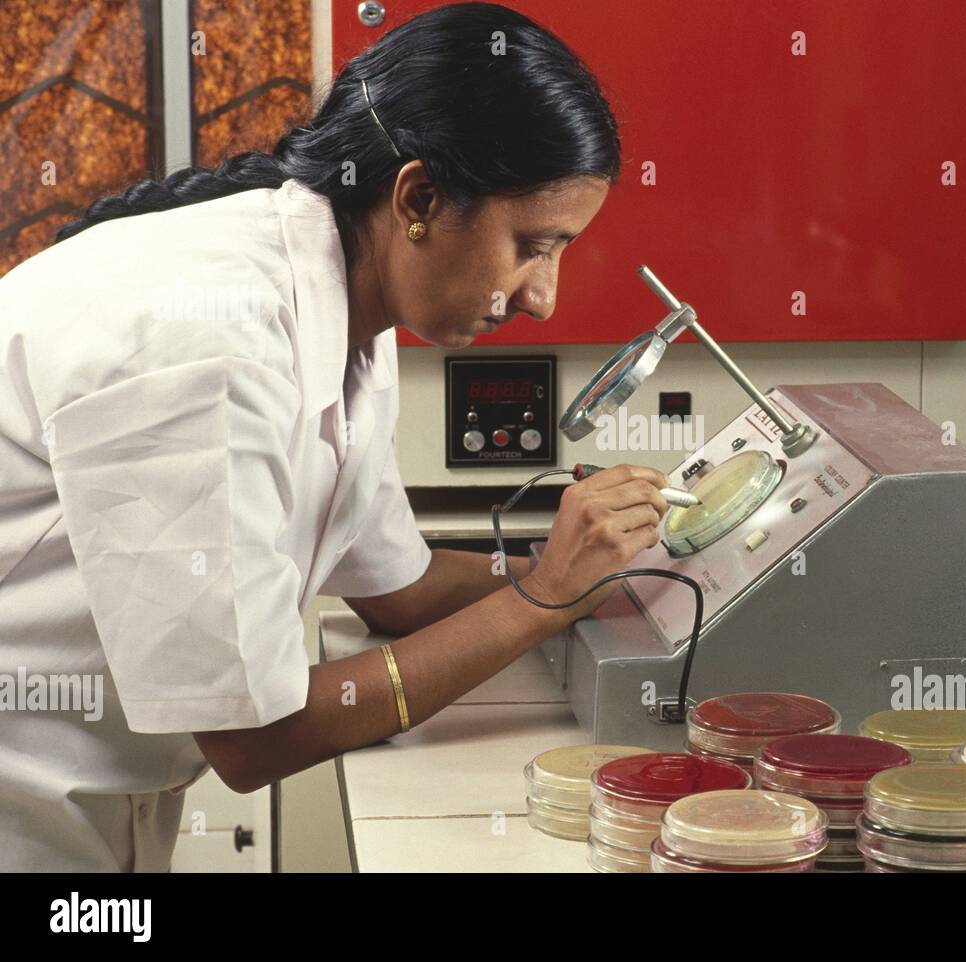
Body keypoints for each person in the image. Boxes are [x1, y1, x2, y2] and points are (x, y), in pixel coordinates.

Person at [0, 1, 669, 871]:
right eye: (532, 246)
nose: (544, 296)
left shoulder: (350, 310)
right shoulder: (212, 349)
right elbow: (255, 741)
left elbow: (403, 590)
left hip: (84, 799)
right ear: (419, 197)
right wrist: (542, 597)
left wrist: (606, 567)